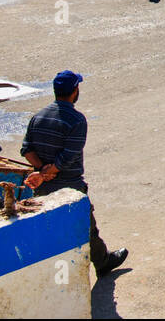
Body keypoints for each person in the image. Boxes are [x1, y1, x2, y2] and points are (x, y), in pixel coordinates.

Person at [21, 71, 129, 279]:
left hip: (43, 188)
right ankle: (101, 263)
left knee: (50, 231)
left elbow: (27, 150)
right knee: (86, 227)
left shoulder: (38, 116)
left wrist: (42, 171)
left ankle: (94, 262)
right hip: (70, 186)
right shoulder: (77, 120)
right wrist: (49, 172)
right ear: (75, 91)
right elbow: (68, 156)